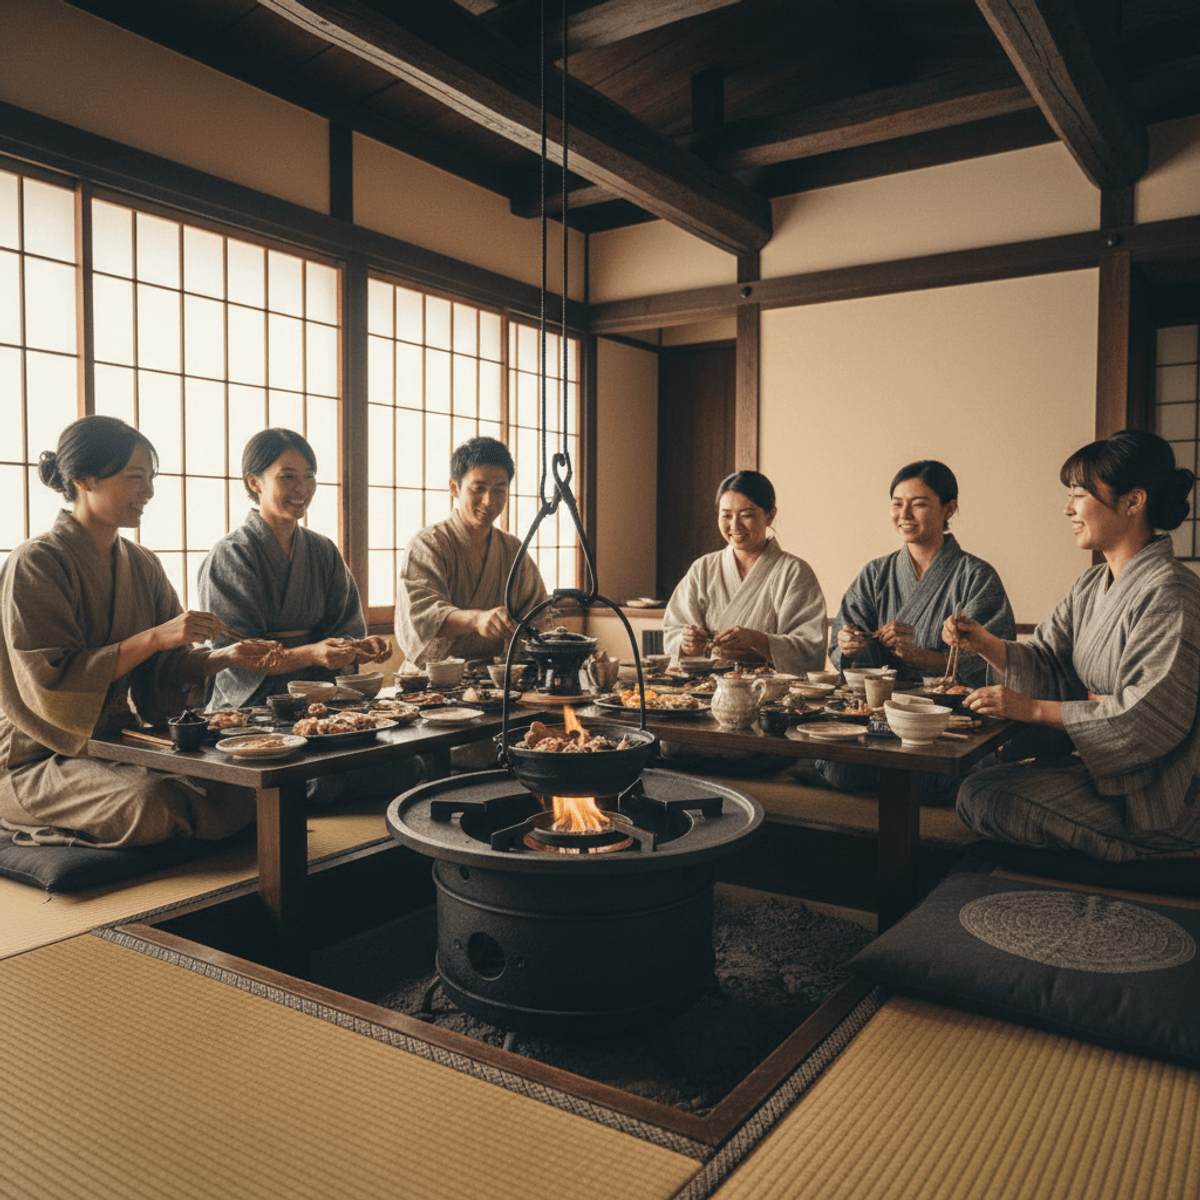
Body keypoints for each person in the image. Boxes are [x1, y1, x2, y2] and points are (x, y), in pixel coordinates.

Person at [0, 416, 270, 848]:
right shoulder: (35, 562)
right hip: (39, 755)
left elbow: (164, 667)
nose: (148, 492)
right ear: (84, 479)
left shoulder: (142, 564)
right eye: (135, 478)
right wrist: (156, 637)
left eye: (150, 479)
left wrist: (224, 657)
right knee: (150, 801)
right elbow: (50, 680)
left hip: (116, 742)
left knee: (242, 786)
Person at [949, 430, 1200, 861]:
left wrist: (1031, 709)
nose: (1068, 509)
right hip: (1102, 767)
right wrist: (987, 644)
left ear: (1132, 501)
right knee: (977, 784)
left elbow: (1147, 718)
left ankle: (1151, 853)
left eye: (1079, 495)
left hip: (1155, 791)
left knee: (987, 798)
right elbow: (1048, 658)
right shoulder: (1091, 583)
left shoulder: (1171, 592)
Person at [819, 460, 1014, 799]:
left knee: (947, 776)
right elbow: (844, 652)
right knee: (839, 767)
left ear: (948, 508)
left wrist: (918, 657)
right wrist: (852, 645)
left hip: (946, 724)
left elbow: (992, 665)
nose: (904, 514)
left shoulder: (976, 577)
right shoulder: (876, 574)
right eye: (897, 504)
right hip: (879, 721)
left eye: (918, 504)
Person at [197, 428, 389, 711]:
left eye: (309, 476)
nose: (302, 488)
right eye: (288, 477)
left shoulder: (323, 550)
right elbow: (236, 654)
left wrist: (357, 648)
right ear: (254, 483)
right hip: (250, 709)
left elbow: (344, 628)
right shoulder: (231, 554)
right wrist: (312, 653)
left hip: (319, 700)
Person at [394, 436, 548, 667]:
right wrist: (476, 619)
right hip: (430, 679)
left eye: (499, 490)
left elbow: (538, 615)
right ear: (454, 488)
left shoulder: (512, 550)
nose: (489, 501)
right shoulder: (428, 544)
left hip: (492, 677)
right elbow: (421, 614)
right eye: (478, 489)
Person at [662, 471, 827, 674]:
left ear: (770, 516)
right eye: (726, 516)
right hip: (706, 686)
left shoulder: (794, 572)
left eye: (746, 515)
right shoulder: (703, 569)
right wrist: (687, 643)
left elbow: (810, 647)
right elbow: (674, 629)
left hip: (769, 687)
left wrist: (758, 641)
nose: (735, 526)